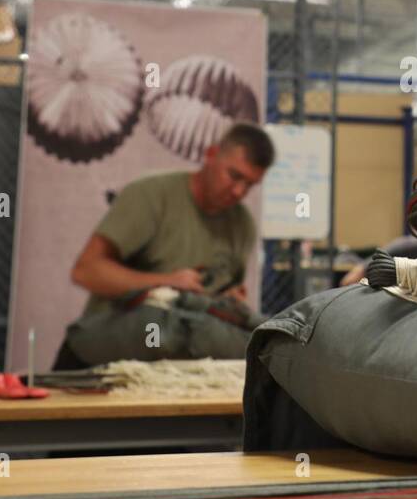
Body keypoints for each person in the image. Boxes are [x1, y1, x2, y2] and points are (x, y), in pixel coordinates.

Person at [52, 122, 274, 369]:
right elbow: (86, 271)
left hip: (182, 366)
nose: (238, 191)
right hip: (111, 354)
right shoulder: (150, 196)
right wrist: (165, 281)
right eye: (234, 176)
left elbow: (223, 293)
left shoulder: (242, 225)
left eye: (250, 185)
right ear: (210, 155)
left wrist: (229, 301)